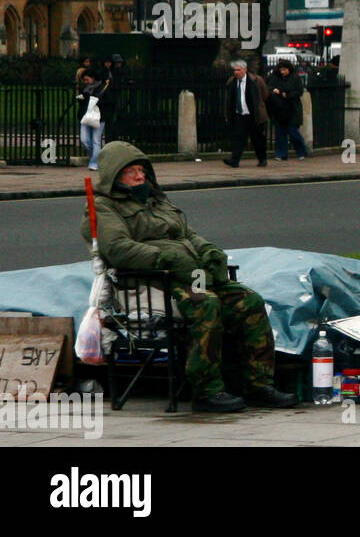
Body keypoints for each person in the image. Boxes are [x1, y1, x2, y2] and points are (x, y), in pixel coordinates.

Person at [80, 142, 299, 413]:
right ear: (114, 175)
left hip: (190, 275)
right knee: (206, 303)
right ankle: (206, 390)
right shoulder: (104, 207)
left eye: (141, 170)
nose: (140, 177)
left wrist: (208, 251)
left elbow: (187, 235)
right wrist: (165, 259)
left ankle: (258, 384)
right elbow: (118, 249)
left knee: (249, 301)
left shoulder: (157, 200)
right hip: (153, 282)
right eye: (131, 172)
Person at [223, 59, 270, 168]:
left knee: (257, 139)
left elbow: (265, 95)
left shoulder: (256, 80)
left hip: (254, 115)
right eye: (234, 70)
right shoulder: (232, 82)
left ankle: (262, 159)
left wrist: (259, 107)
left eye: (238, 70)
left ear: (245, 70)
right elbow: (229, 99)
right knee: (238, 139)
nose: (236, 72)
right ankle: (234, 160)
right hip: (239, 115)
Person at [266, 59, 310, 161]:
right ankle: (281, 153)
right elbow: (268, 87)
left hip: (292, 108)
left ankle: (301, 151)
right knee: (280, 133)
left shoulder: (295, 78)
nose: (283, 72)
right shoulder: (274, 78)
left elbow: (299, 91)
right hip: (279, 109)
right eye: (281, 70)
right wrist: (274, 91)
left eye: (285, 70)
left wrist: (287, 94)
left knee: (293, 131)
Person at [76, 68, 114, 171]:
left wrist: (96, 102)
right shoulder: (85, 88)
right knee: (84, 140)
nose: (85, 82)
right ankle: (97, 157)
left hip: (99, 117)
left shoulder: (102, 88)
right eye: (84, 80)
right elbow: (83, 102)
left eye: (87, 79)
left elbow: (109, 102)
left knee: (96, 140)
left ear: (93, 78)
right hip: (86, 116)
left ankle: (94, 163)